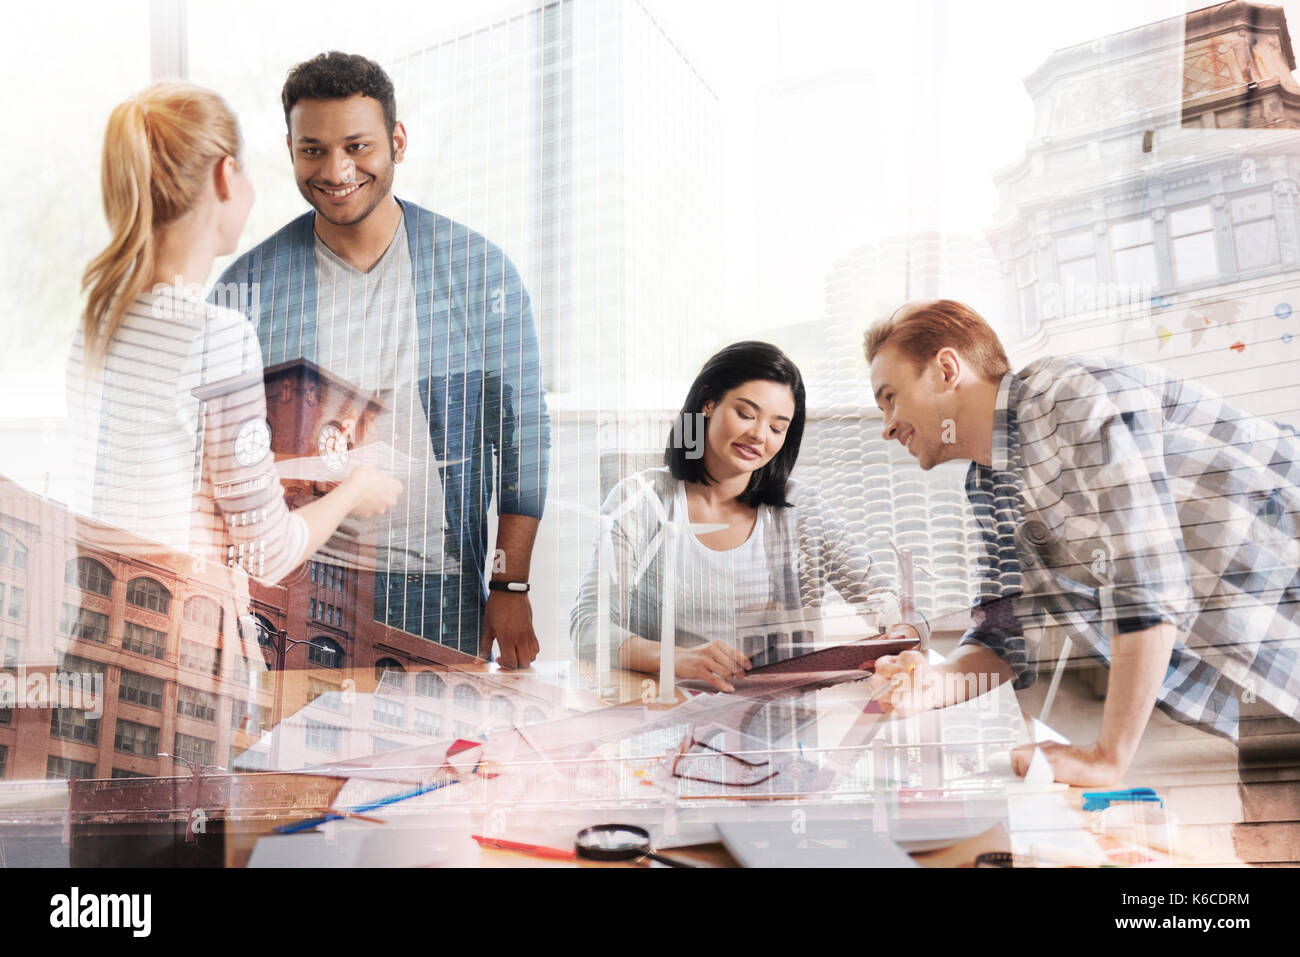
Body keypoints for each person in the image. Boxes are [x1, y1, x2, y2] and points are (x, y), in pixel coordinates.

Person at [864, 299, 1300, 787]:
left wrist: (1106, 757)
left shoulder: (1064, 397)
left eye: (890, 398)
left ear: (946, 369)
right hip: (1266, 700)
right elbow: (1004, 637)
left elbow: (1146, 580)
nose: (887, 427)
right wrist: (932, 683)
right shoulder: (988, 486)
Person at [213, 52, 550, 667]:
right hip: (293, 586)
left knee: (444, 734)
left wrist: (510, 585)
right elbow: (220, 464)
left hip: (438, 587)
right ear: (290, 149)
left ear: (397, 141)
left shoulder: (479, 271)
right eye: (313, 149)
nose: (336, 170)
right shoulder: (247, 287)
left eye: (357, 146)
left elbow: (522, 436)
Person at [67, 83, 401, 677]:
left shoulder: (97, 322)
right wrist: (355, 491)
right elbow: (266, 553)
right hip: (183, 656)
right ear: (225, 176)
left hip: (94, 640)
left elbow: (158, 479)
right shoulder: (216, 336)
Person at [570, 341, 917, 692]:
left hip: (774, 713)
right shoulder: (641, 501)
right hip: (662, 709)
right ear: (708, 403)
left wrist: (903, 632)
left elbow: (891, 603)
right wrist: (676, 658)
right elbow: (587, 626)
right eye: (746, 414)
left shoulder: (802, 511)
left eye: (777, 428)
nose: (758, 435)